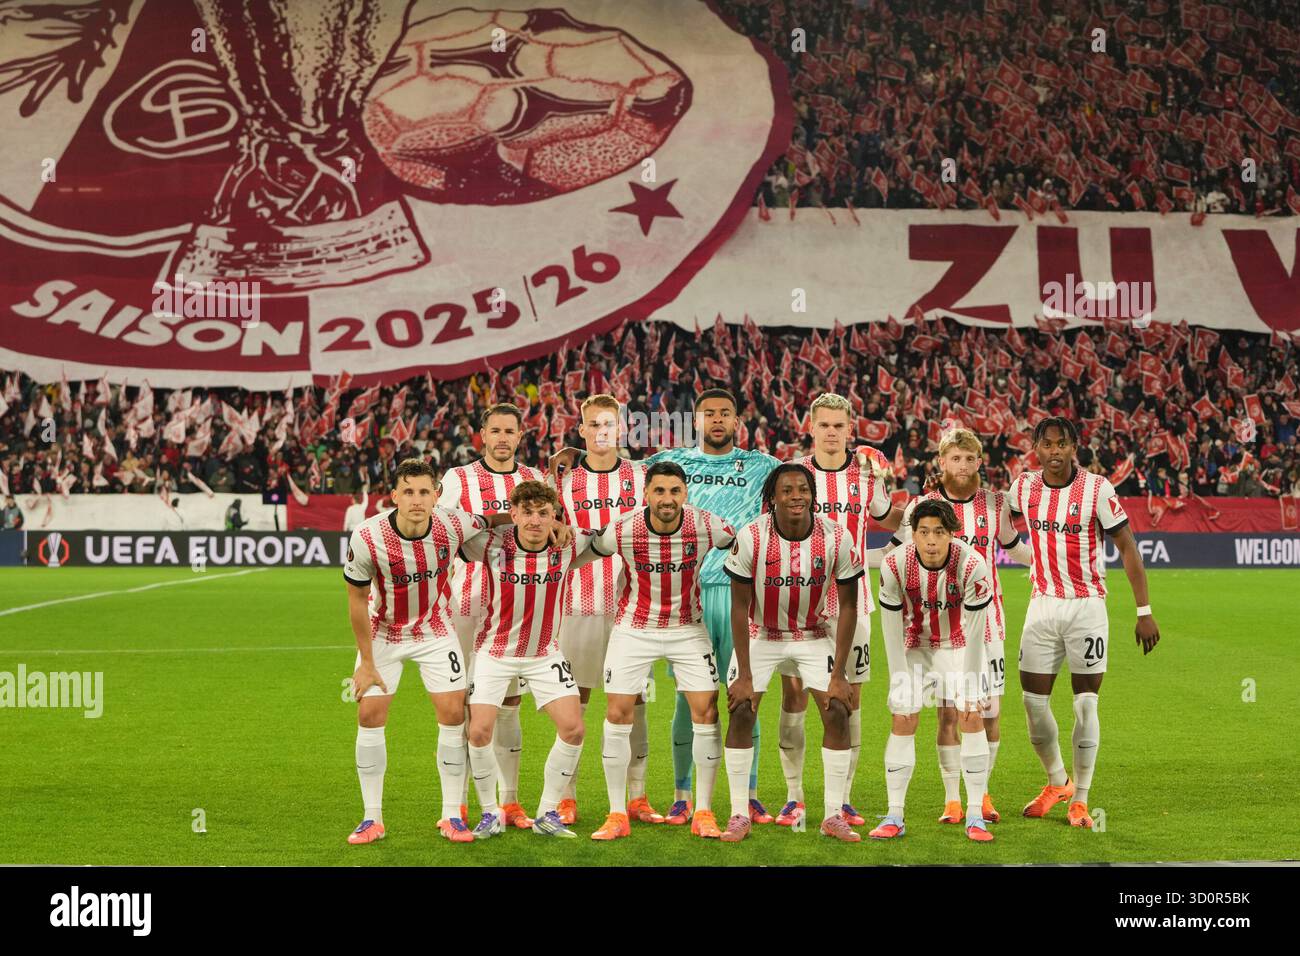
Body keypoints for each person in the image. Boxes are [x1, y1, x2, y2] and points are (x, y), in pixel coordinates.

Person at [551, 388, 781, 826]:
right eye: (708, 412)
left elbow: (790, 490)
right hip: (626, 611)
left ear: (737, 420)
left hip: (729, 595)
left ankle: (739, 797)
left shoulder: (760, 466)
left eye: (725, 412)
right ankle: (674, 795)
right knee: (635, 703)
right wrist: (575, 453)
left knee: (736, 700)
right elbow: (607, 463)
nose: (668, 495)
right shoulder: (663, 466)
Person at [1011, 418, 1162, 829]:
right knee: (1032, 702)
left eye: (1062, 444)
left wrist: (1143, 611)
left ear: (1074, 446)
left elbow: (1127, 546)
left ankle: (1080, 798)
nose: (1055, 451)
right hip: (1041, 604)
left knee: (1084, 702)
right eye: (1047, 444)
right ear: (1036, 448)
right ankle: (1057, 780)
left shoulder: (1096, 489)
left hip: (1086, 607)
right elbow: (994, 517)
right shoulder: (1023, 486)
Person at [886, 428, 1033, 825]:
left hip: (987, 624)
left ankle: (981, 794)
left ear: (980, 462)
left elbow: (1013, 545)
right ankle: (954, 799)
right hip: (935, 626)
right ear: (942, 461)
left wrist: (1047, 561)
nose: (963, 466)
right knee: (948, 712)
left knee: (989, 712)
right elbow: (895, 552)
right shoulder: (923, 505)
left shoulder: (995, 503)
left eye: (970, 458)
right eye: (956, 458)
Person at [341, 458, 491, 846]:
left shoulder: (453, 523)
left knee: (453, 712)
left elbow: (494, 520)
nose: (417, 499)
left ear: (436, 496)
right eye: (408, 491)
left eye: (425, 491)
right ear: (394, 496)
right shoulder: (367, 535)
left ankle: (450, 815)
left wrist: (536, 518)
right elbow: (357, 601)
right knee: (370, 714)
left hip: (435, 631)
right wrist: (366, 663)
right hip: (384, 632)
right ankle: (371, 818)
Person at [586, 462, 735, 841]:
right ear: (646, 494)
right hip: (634, 629)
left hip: (688, 628)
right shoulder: (623, 529)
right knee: (618, 714)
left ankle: (702, 810)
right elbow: (590, 546)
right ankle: (617, 813)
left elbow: (740, 544)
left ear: (685, 494)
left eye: (674, 491)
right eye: (659, 491)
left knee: (707, 712)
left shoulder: (708, 525)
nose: (667, 499)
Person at [720, 464, 865, 843]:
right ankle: (739, 813)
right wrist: (745, 675)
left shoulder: (837, 536)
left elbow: (848, 605)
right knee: (740, 709)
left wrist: (839, 674)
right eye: (787, 490)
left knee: (837, 710)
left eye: (803, 488)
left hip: (813, 633)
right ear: (773, 498)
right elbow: (739, 607)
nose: (796, 496)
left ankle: (833, 815)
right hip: (761, 633)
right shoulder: (751, 536)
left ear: (813, 495)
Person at [779, 392, 903, 828]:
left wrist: (885, 553)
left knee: (850, 699)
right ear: (811, 428)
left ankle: (844, 798)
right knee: (793, 697)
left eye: (839, 425)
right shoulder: (792, 476)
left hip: (855, 604)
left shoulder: (867, 477)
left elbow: (891, 520)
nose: (832, 432)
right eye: (824, 425)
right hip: (799, 607)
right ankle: (794, 796)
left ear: (850, 429)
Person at [459, 481, 601, 840]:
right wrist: (492, 520)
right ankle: (490, 813)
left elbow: (606, 537)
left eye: (543, 513)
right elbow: (453, 529)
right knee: (478, 732)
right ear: (515, 513)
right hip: (494, 653)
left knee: (574, 729)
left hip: (543, 654)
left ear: (554, 515)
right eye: (527, 513)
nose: (535, 521)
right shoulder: (490, 544)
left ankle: (547, 812)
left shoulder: (569, 546)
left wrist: (569, 527)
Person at [438, 403, 543, 829]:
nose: (502, 438)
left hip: (516, 608)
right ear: (481, 433)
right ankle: (459, 806)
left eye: (509, 431)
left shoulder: (535, 479)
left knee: (509, 704)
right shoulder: (457, 478)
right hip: (465, 602)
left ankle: (511, 801)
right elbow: (442, 527)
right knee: (463, 705)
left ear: (521, 436)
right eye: (494, 430)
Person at [553, 394, 654, 825]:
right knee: (574, 699)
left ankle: (637, 796)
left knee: (635, 701)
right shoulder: (562, 480)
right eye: (593, 424)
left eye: (608, 424)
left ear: (621, 430)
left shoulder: (641, 475)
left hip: (633, 604)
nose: (601, 432)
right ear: (582, 431)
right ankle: (566, 795)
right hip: (576, 601)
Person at [872, 499, 995, 843]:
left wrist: (970, 686)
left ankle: (974, 815)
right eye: (923, 532)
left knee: (971, 716)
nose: (930, 541)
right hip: (915, 646)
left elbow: (975, 629)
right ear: (912, 534)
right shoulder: (895, 564)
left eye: (939, 533)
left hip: (960, 646)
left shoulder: (971, 563)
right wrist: (899, 679)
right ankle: (894, 814)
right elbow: (890, 625)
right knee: (904, 718)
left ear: (951, 535)